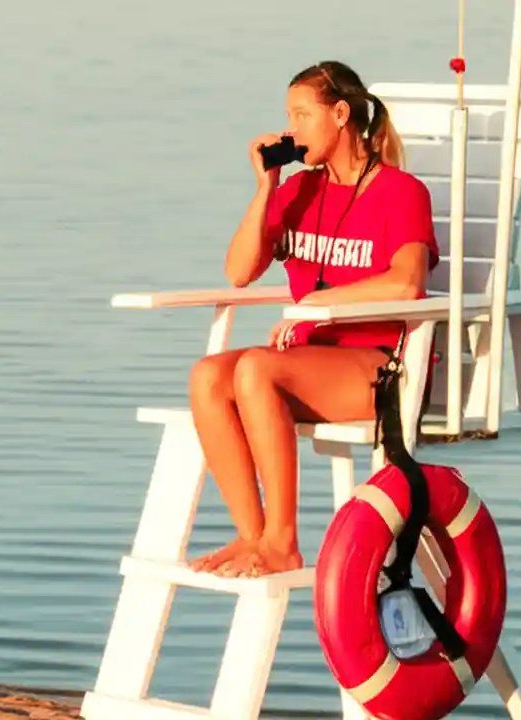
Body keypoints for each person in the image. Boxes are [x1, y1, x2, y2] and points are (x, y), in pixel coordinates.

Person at [187, 60, 440, 578]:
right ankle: (252, 534)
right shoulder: (299, 192)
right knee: (208, 376)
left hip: (380, 367)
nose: (291, 129)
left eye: (302, 115)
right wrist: (265, 188)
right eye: (288, 116)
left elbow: (406, 282)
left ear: (340, 114)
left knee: (256, 368)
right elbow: (238, 272)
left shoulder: (401, 192)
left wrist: (313, 307)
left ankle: (283, 541)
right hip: (310, 363)